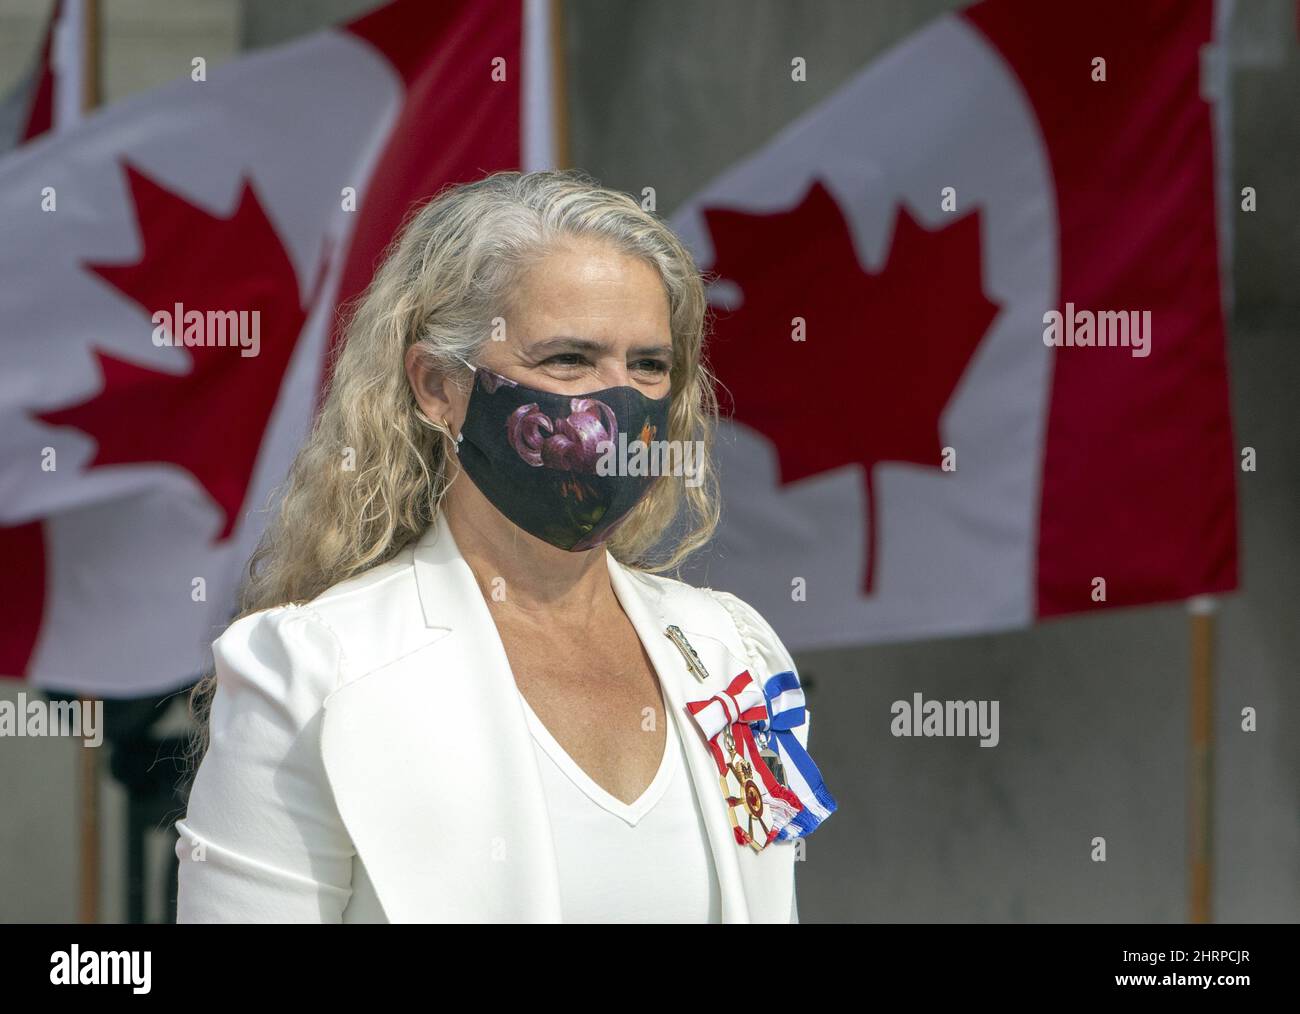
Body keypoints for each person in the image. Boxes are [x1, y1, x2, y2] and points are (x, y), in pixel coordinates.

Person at [175, 169, 829, 923]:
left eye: (648, 364)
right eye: (568, 359)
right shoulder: (313, 674)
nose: (618, 403)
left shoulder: (731, 650)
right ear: (437, 386)